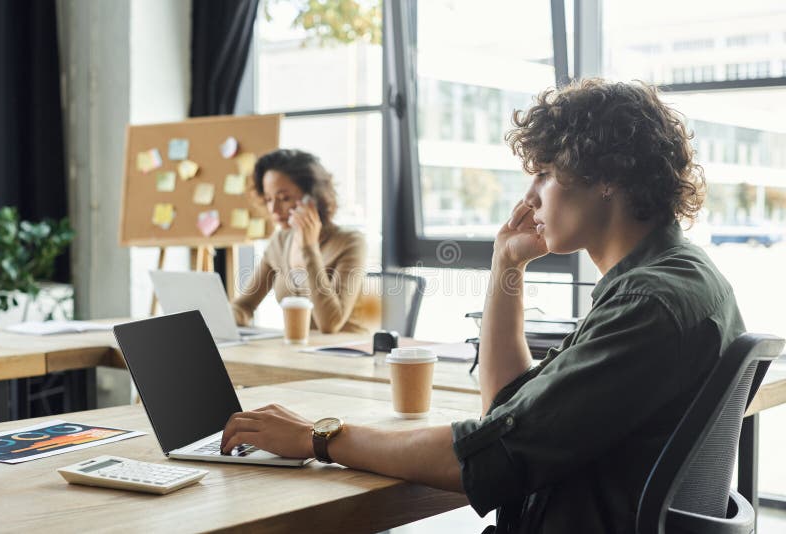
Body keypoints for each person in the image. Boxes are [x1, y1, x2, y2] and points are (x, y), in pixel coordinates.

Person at [220, 79, 745, 533]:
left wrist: (320, 438)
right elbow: (507, 410)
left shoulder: (647, 303)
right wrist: (506, 266)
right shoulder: (676, 278)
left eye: (544, 172)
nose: (530, 195)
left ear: (608, 177)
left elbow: (485, 456)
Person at [232, 148, 367, 334]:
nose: (274, 208)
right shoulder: (279, 242)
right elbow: (244, 306)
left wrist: (309, 248)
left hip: (345, 354)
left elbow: (329, 323)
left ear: (312, 198)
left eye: (284, 198)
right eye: (269, 199)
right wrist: (219, 316)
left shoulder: (350, 243)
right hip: (298, 354)